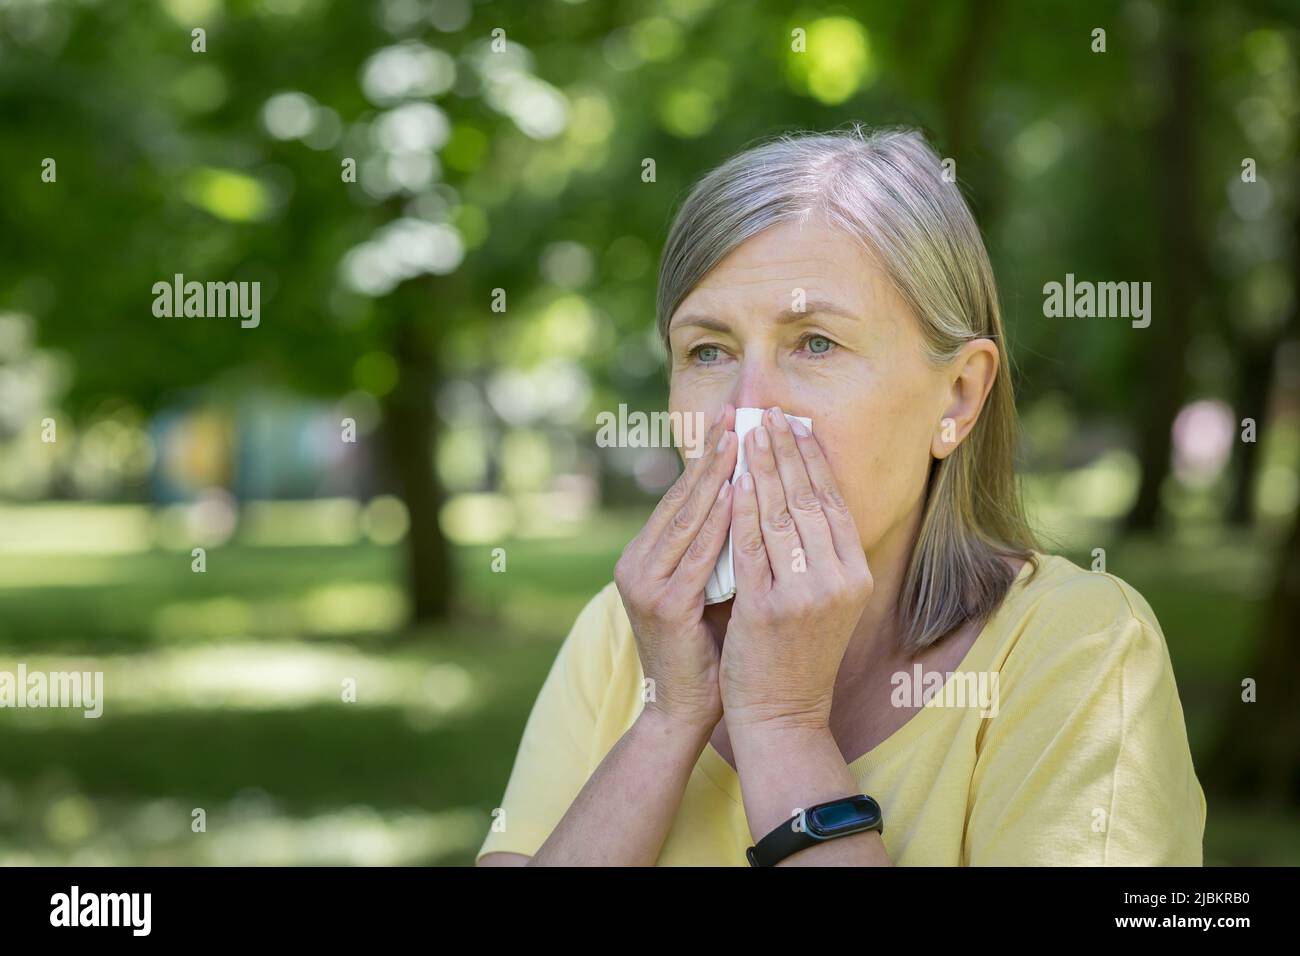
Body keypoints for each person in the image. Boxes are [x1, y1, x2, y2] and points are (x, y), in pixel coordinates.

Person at [477, 124, 1206, 866]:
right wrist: (667, 718)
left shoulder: (1077, 645)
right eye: (708, 351)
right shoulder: (625, 633)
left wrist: (782, 724)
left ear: (957, 397)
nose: (746, 406)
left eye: (815, 343)